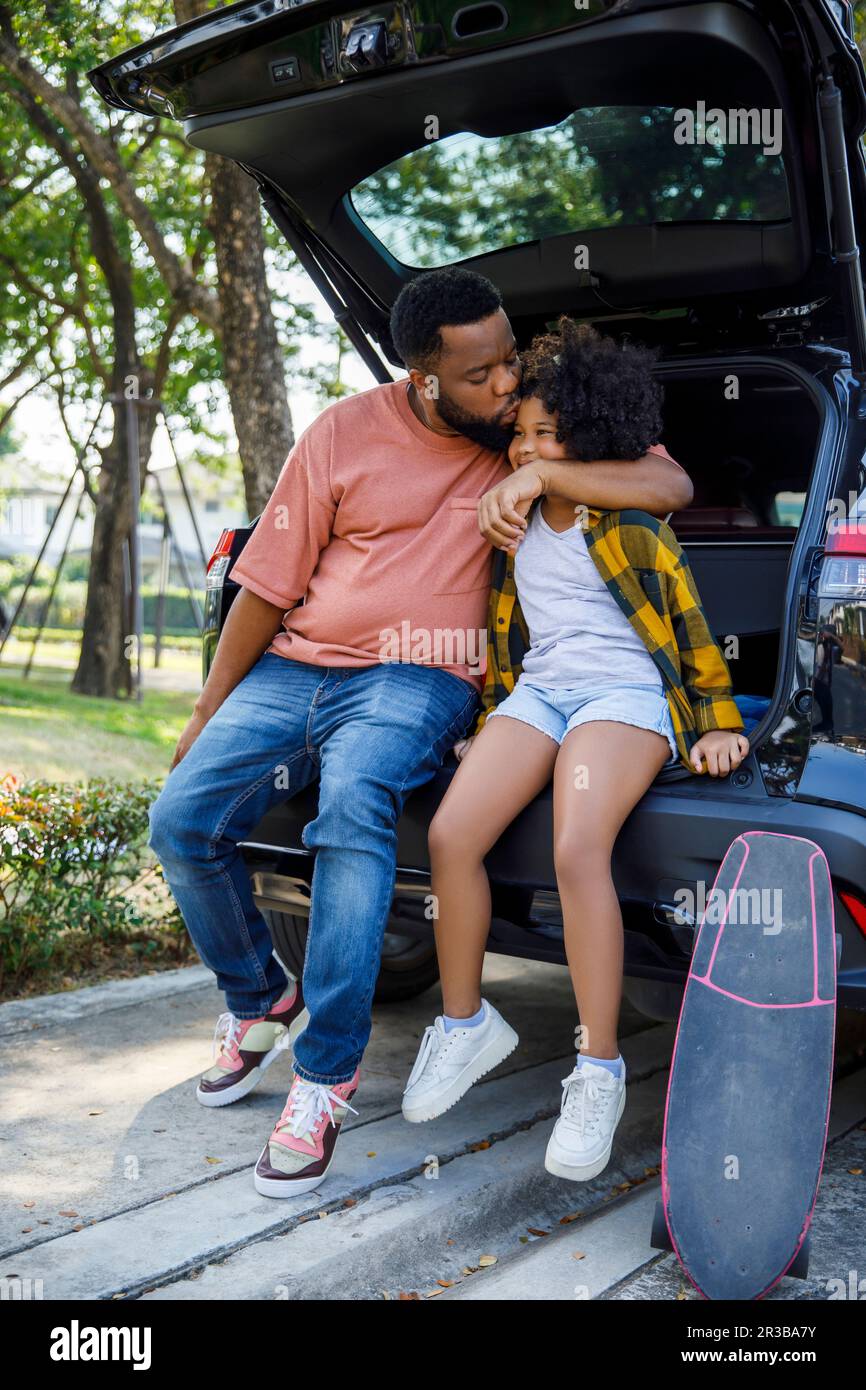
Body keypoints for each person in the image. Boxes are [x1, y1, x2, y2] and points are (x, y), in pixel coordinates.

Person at [147, 274, 692, 1198]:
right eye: (481, 372)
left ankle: (323, 1079)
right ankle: (258, 999)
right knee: (179, 821)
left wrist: (540, 468)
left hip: (423, 674)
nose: (507, 383)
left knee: (356, 803)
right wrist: (207, 709)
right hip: (297, 663)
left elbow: (668, 481)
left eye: (510, 355)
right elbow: (268, 583)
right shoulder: (342, 433)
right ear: (424, 374)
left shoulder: (530, 425)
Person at [402, 318, 747, 1184]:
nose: (525, 451)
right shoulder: (513, 529)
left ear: (587, 439)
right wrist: (491, 717)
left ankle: (597, 1070)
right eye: (519, 435)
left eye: (545, 437)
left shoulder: (628, 522)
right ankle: (466, 1022)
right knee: (451, 835)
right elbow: (510, 637)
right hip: (543, 694)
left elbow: (689, 625)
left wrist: (716, 719)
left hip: (626, 696)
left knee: (575, 846)